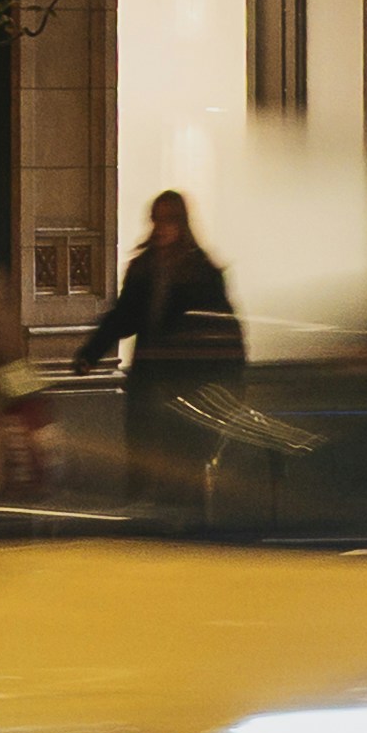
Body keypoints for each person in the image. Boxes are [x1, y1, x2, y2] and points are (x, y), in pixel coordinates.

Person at [78, 188, 248, 513]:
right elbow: (124, 316)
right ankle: (149, 521)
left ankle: (184, 525)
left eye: (169, 220)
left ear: (182, 223)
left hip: (187, 383)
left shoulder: (202, 272)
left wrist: (231, 379)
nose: (162, 227)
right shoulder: (144, 268)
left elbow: (225, 329)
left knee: (183, 459)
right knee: (145, 454)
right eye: (158, 219)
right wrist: (91, 352)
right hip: (150, 379)